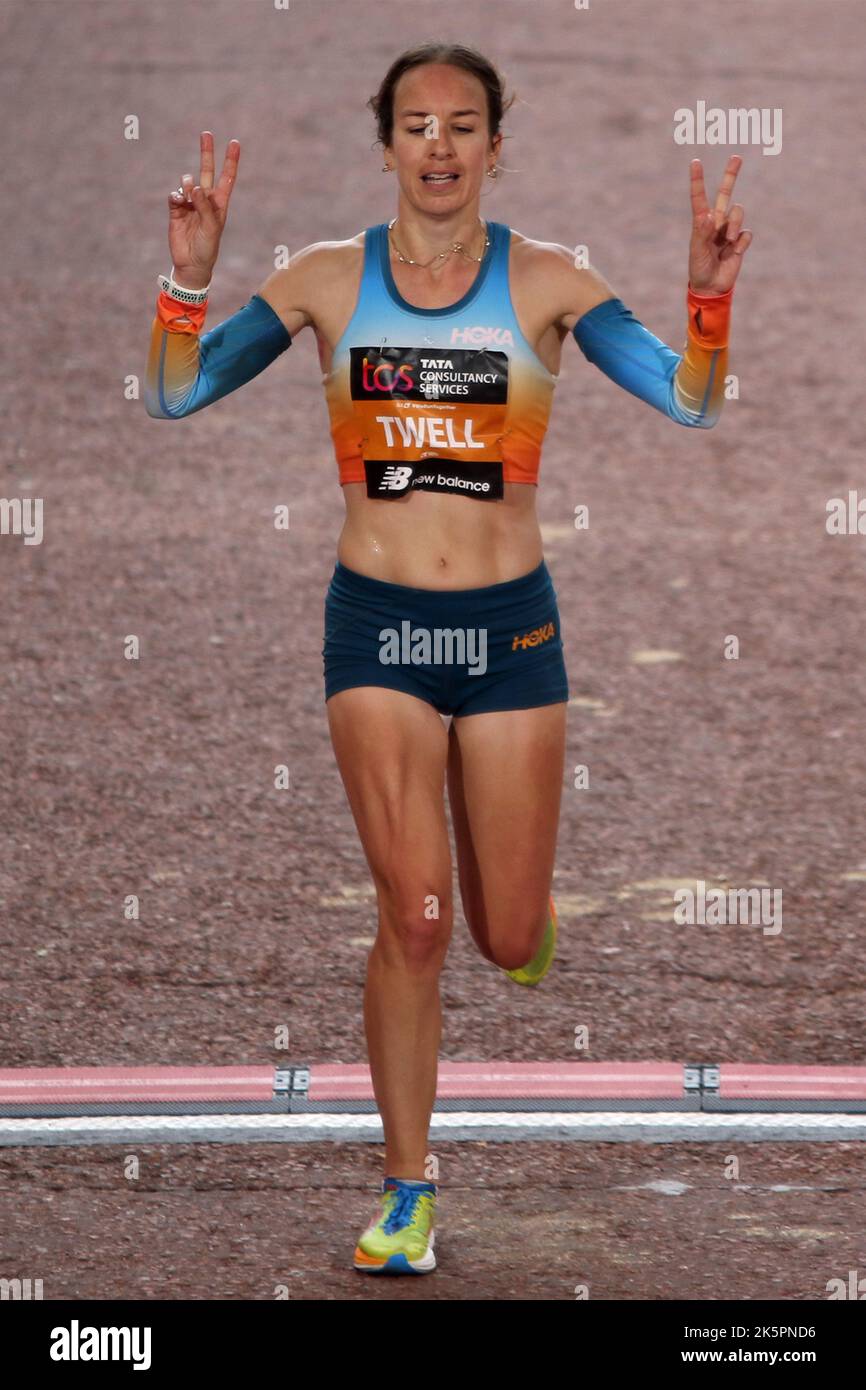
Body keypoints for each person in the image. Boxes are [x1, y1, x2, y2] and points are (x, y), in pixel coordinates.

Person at [144, 42, 751, 1276]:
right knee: (411, 917)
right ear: (385, 145)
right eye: (416, 126)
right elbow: (171, 396)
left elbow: (690, 403)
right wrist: (186, 282)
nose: (437, 146)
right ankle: (407, 1190)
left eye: (460, 126)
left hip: (510, 636)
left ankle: (507, 896)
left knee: (497, 925)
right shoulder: (318, 282)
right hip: (377, 635)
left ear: (491, 144)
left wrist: (705, 297)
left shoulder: (549, 287)